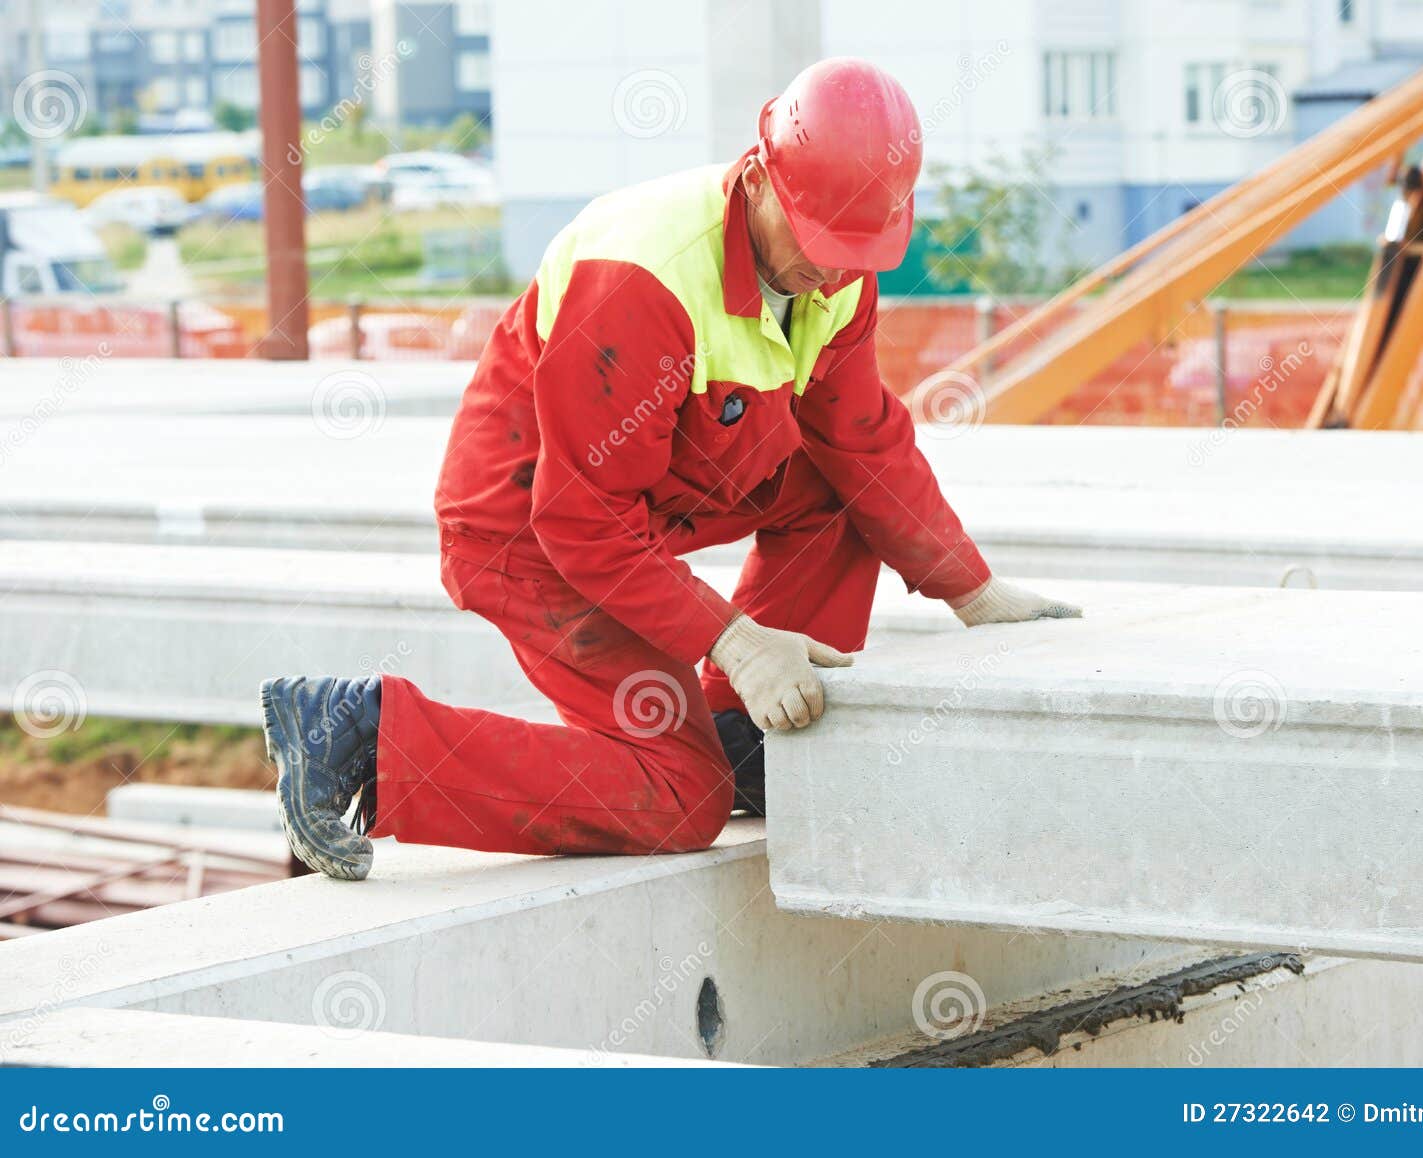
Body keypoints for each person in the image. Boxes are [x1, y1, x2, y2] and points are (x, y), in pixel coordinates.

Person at [261, 57, 1079, 881]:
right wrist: (735, 638)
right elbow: (581, 520)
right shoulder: (642, 276)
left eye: (857, 252)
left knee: (842, 494)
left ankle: (743, 735)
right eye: (820, 243)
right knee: (683, 799)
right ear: (759, 177)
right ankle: (361, 734)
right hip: (532, 533)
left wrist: (969, 588)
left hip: (667, 485)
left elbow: (861, 439)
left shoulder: (838, 276)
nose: (830, 271)